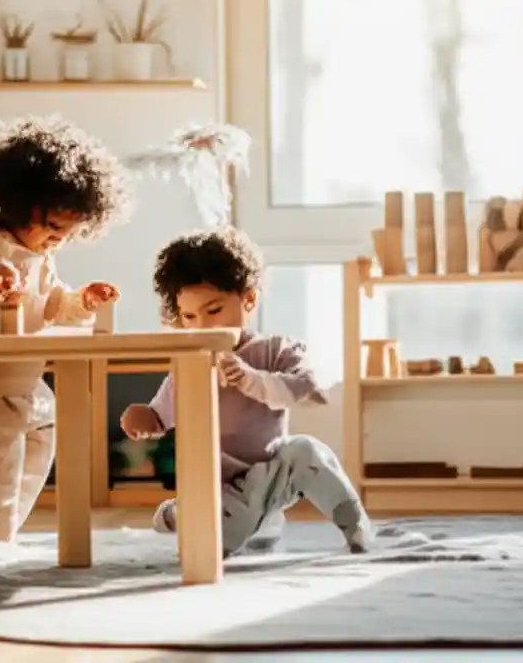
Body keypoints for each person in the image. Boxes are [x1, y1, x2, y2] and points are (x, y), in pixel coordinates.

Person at [0, 115, 129, 551]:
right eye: (53, 227)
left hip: (24, 377)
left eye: (66, 235)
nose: (56, 240)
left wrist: (84, 300)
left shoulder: (42, 257)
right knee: (0, 470)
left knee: (42, 439)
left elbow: (53, 303)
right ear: (20, 202)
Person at [120, 227, 372, 556]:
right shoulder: (190, 364)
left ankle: (356, 527)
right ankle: (179, 514)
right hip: (220, 486)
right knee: (216, 544)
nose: (202, 327)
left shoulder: (274, 349)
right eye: (189, 317)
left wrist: (250, 378)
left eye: (214, 311)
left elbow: (302, 385)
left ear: (248, 299)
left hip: (274, 469)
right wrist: (143, 418)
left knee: (308, 451)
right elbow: (160, 417)